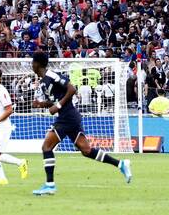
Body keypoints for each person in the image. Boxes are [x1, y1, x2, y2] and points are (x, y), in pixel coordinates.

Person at [30, 52, 131, 195]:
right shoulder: (43, 82)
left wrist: (58, 106)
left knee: (46, 146)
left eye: (32, 62)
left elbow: (72, 89)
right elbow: (55, 100)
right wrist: (41, 104)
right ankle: (121, 164)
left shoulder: (52, 75)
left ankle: (50, 185)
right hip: (70, 117)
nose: (31, 65)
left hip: (67, 117)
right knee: (87, 150)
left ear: (37, 63)